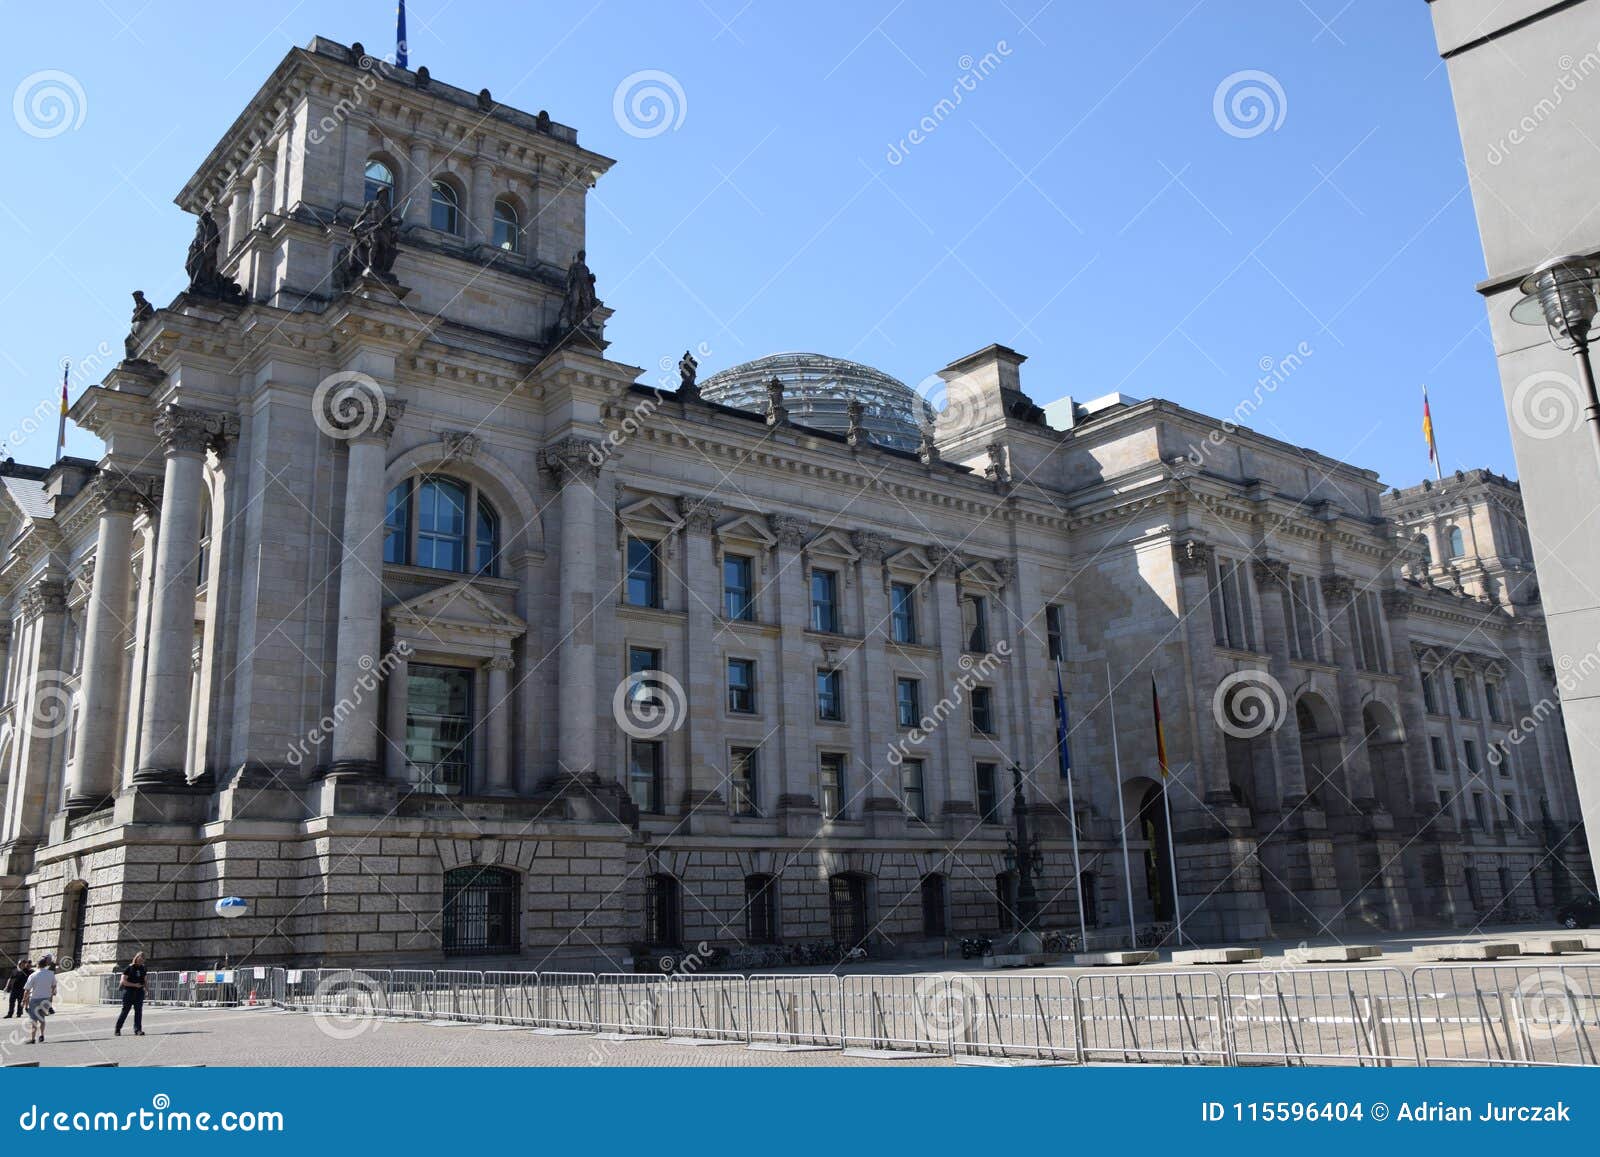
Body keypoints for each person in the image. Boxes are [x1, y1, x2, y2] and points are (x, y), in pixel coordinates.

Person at [22, 955, 56, 1045]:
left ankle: (32, 1038)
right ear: (45, 965)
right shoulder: (51, 974)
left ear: (37, 965)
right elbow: (54, 986)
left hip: (35, 999)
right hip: (46, 999)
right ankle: (41, 1034)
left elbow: (27, 990)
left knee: (34, 1020)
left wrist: (24, 1000)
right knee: (42, 1018)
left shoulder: (33, 975)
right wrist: (51, 995)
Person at [114, 951, 148, 1037]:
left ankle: (138, 1030)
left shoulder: (143, 968)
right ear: (136, 958)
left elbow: (145, 980)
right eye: (140, 959)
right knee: (125, 1011)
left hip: (139, 992)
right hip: (129, 992)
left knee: (138, 1011)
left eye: (143, 960)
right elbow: (123, 981)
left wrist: (147, 990)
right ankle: (117, 1029)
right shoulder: (130, 968)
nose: (141, 961)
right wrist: (134, 985)